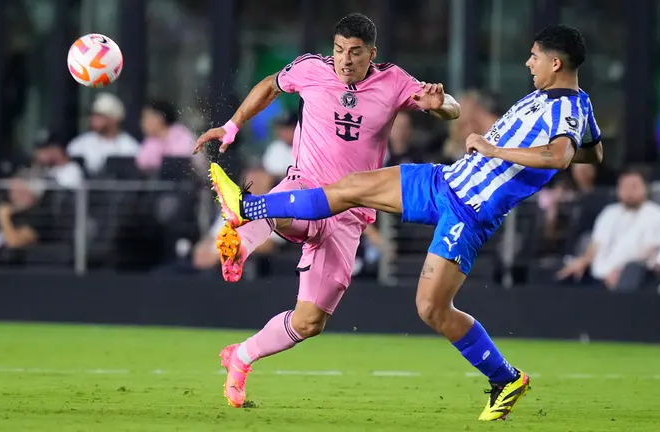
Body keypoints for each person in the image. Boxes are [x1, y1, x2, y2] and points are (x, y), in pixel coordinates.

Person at [210, 24, 602, 421]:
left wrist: (492, 147)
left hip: (469, 210)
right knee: (348, 187)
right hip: (444, 180)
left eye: (534, 55)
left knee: (429, 308)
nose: (527, 61)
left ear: (555, 62)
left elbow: (558, 156)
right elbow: (593, 154)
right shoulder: (557, 101)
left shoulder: (566, 108)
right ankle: (248, 212)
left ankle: (506, 378)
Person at [194, 13, 460, 410]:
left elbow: (447, 107)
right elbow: (270, 86)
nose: (345, 60)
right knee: (288, 206)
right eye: (339, 50)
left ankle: (241, 356)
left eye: (355, 53)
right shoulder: (310, 69)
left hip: (350, 213)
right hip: (305, 185)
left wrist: (443, 105)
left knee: (310, 322)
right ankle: (240, 236)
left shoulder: (394, 81)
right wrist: (232, 127)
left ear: (372, 53)